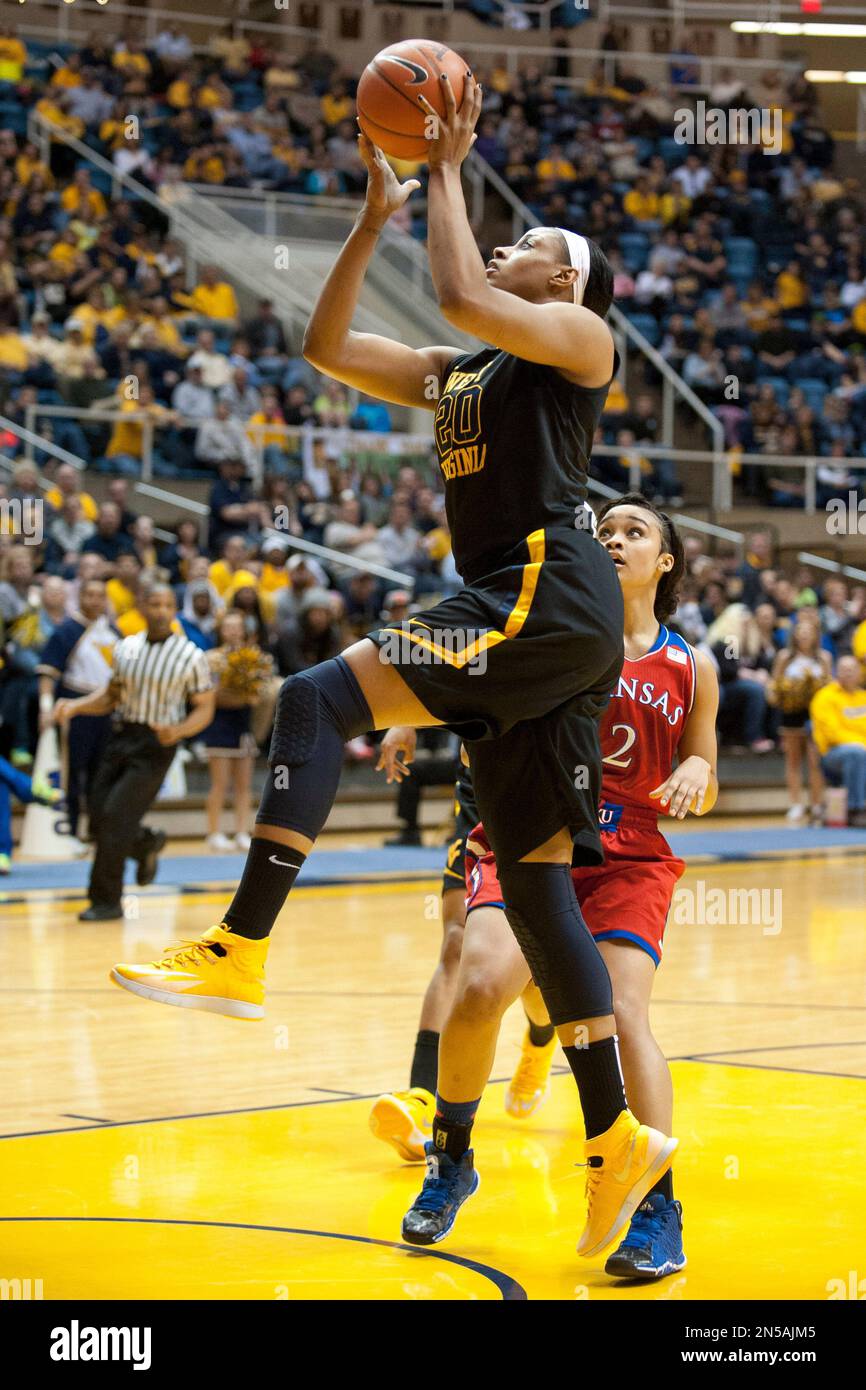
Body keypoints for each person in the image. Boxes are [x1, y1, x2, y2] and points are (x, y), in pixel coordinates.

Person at [111, 76, 676, 1257]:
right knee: (529, 884)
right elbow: (326, 348)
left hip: (536, 587)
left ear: (564, 278)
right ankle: (613, 1134)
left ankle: (242, 944)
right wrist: (374, 215)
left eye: (534, 242)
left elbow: (468, 286)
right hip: (538, 623)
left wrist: (451, 164)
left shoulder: (582, 340)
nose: (509, 249)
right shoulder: (457, 373)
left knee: (318, 695)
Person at [399, 496, 718, 1279]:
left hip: (628, 858)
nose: (613, 539)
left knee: (624, 1013)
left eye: (633, 531)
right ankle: (452, 1157)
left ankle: (657, 1208)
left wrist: (696, 769)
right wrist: (408, 714)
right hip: (531, 836)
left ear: (665, 560)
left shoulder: (690, 664)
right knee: (477, 986)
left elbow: (703, 774)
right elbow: (460, 665)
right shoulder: (550, 628)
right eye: (602, 530)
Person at [54, 586, 215, 921]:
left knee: (114, 819)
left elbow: (204, 709)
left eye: (167, 604)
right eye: (154, 603)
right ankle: (143, 843)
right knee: (97, 818)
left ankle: (106, 902)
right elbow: (111, 696)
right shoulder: (126, 648)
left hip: (158, 744)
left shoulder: (190, 655)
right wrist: (76, 706)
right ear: (141, 605)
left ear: (174, 609)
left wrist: (180, 730)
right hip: (120, 735)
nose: (160, 610)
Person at [36, 576, 119, 840]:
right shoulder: (67, 630)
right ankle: (69, 831)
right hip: (75, 708)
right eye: (90, 595)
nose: (95, 600)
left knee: (102, 775)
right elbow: (48, 674)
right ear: (80, 597)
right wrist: (46, 707)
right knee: (73, 773)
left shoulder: (113, 632)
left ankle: (96, 832)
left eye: (100, 595)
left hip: (107, 709)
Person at [202, 609, 273, 852]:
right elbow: (209, 695)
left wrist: (248, 695)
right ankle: (214, 832)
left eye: (237, 626)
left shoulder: (254, 658)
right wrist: (234, 696)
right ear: (221, 630)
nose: (233, 631)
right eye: (228, 626)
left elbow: (259, 694)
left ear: (244, 630)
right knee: (219, 784)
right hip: (219, 725)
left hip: (244, 725)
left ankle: (242, 831)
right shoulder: (211, 658)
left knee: (244, 785)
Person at [767, 613, 832, 825]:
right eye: (800, 632)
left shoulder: (824, 658)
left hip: (815, 716)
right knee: (793, 761)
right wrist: (784, 692)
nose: (804, 635)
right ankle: (795, 803)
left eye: (808, 632)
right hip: (791, 715)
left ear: (815, 635)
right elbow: (774, 685)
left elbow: (829, 687)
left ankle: (816, 804)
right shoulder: (785, 657)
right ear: (794, 635)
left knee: (815, 762)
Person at [809, 655, 866, 827]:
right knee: (855, 753)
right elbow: (832, 734)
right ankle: (855, 809)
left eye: (852, 670)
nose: (848, 674)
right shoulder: (825, 697)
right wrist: (861, 744)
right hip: (833, 756)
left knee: (859, 753)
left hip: (861, 750)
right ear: (836, 672)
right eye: (844, 670)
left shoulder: (863, 697)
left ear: (859, 673)